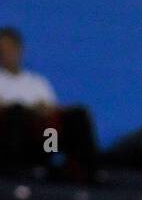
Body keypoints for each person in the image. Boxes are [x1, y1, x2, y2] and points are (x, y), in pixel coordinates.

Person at [0, 26, 97, 181]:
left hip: (41, 140)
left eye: (10, 49)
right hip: (10, 139)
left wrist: (41, 111)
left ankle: (78, 168)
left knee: (74, 116)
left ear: (19, 50)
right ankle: (14, 168)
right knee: (15, 114)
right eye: (3, 49)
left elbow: (50, 107)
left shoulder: (36, 82)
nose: (6, 54)